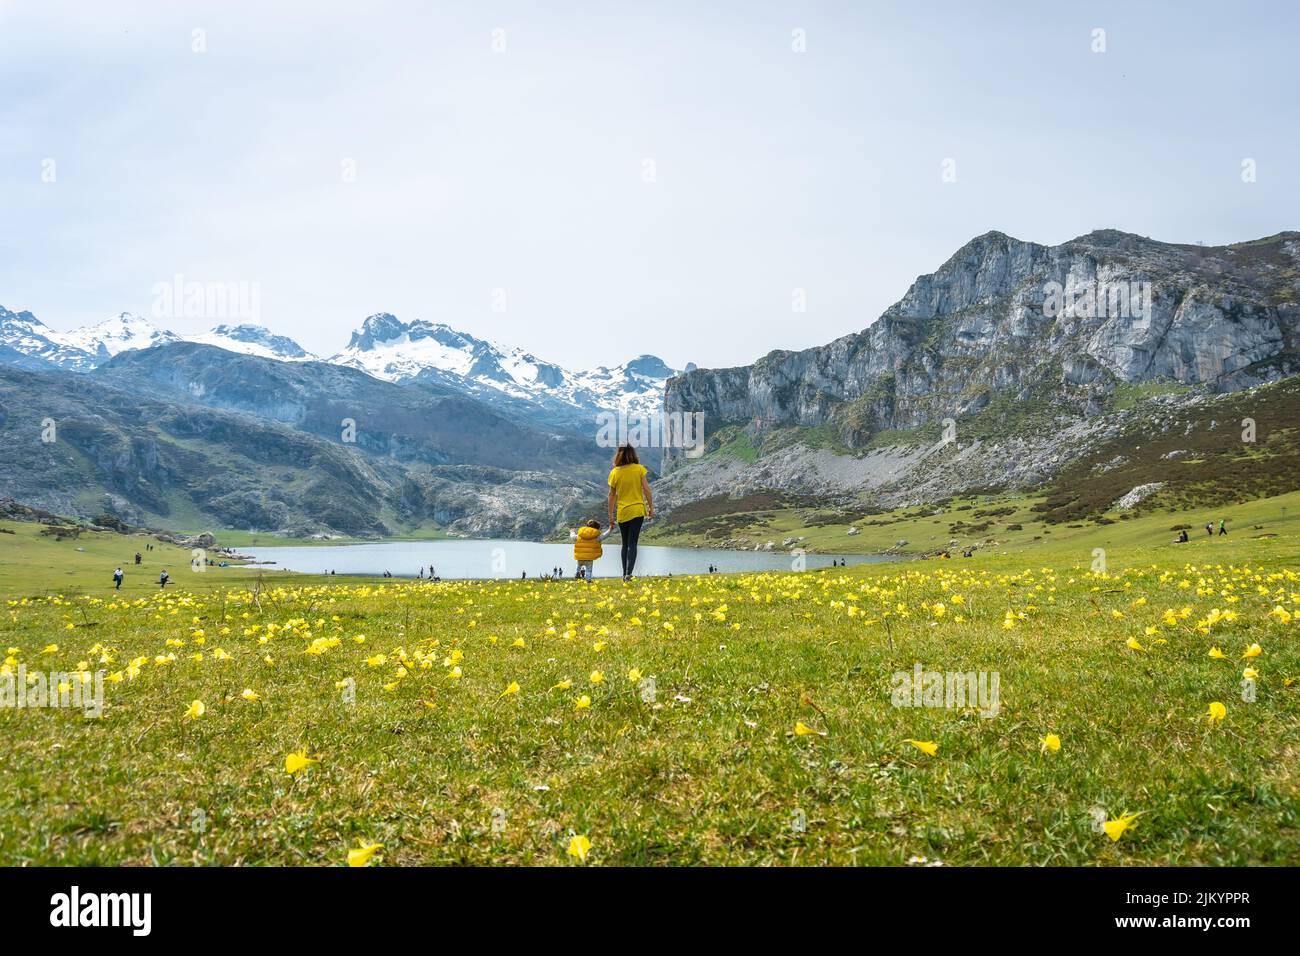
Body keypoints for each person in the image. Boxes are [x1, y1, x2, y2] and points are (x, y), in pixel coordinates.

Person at [607, 444, 653, 581]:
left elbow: (611, 495)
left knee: (625, 544)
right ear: (633, 454)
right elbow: (647, 490)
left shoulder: (614, 472)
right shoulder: (639, 469)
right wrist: (651, 508)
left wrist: (610, 515)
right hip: (638, 509)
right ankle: (628, 574)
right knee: (633, 543)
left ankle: (624, 574)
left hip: (623, 512)